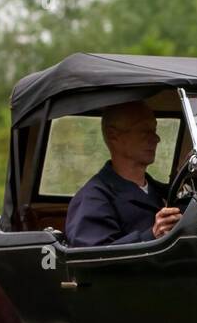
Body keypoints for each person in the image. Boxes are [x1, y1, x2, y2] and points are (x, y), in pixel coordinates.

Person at [64, 101, 181, 246]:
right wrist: (151, 236)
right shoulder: (93, 198)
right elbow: (94, 261)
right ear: (113, 135)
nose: (156, 139)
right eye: (144, 130)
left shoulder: (164, 192)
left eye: (154, 130)